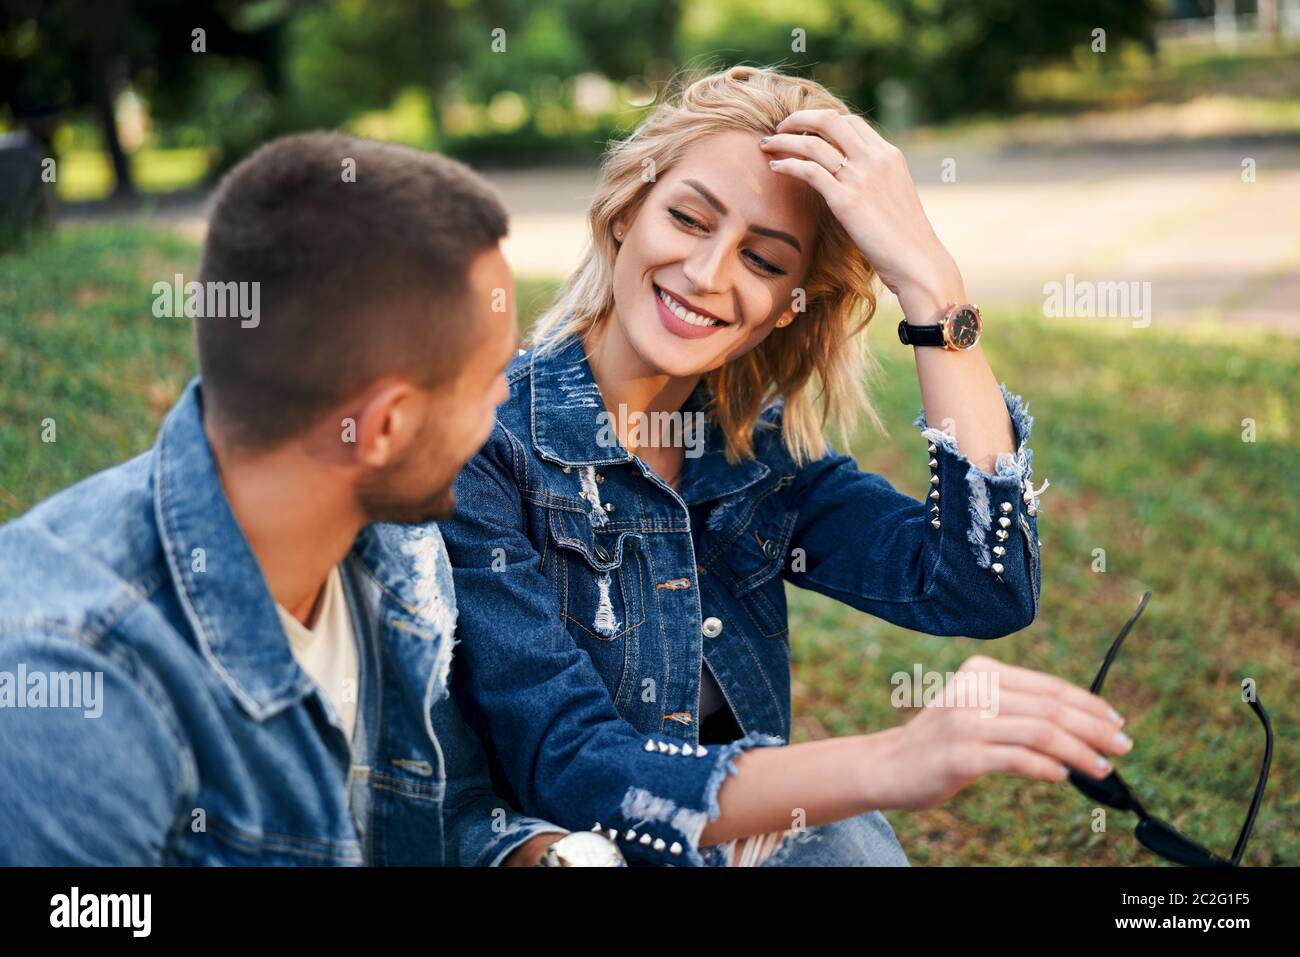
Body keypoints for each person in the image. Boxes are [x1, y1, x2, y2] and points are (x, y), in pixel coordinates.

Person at [439, 66, 1132, 867]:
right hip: (570, 849)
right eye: (689, 219)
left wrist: (933, 292)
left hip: (747, 844)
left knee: (842, 842)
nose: (708, 273)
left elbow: (983, 581)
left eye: (764, 262)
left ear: (791, 304)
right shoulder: (488, 447)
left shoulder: (756, 457)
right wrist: (888, 762)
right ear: (627, 211)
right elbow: (570, 768)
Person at [0, 132, 577, 866]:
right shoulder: (73, 685)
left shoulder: (394, 553)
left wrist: (540, 855)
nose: (505, 402)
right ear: (384, 426)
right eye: (491, 377)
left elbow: (438, 813)